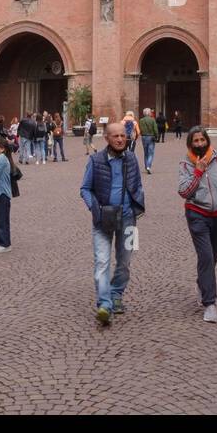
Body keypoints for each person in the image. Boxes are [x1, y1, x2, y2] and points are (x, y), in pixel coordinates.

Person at [80, 119, 145, 325]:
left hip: (129, 219)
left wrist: (137, 204)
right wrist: (95, 209)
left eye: (122, 135)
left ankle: (116, 294)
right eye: (115, 136)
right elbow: (85, 189)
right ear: (106, 138)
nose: (119, 139)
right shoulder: (95, 161)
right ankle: (104, 304)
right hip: (102, 220)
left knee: (126, 262)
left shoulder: (132, 158)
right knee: (102, 262)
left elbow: (137, 184)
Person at [178, 126, 217, 324]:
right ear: (190, 143)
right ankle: (210, 303)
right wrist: (198, 172)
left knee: (213, 257)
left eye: (202, 140)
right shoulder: (186, 164)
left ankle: (203, 283)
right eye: (196, 141)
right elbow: (184, 192)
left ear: (207, 140)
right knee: (206, 256)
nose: (200, 144)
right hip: (197, 214)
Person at [138, 107, 158, 174]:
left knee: (145, 153)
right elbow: (155, 129)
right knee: (151, 153)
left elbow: (140, 128)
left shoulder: (141, 120)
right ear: (149, 113)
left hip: (144, 137)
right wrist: (157, 136)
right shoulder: (152, 120)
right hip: (151, 137)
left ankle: (146, 166)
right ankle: (149, 166)